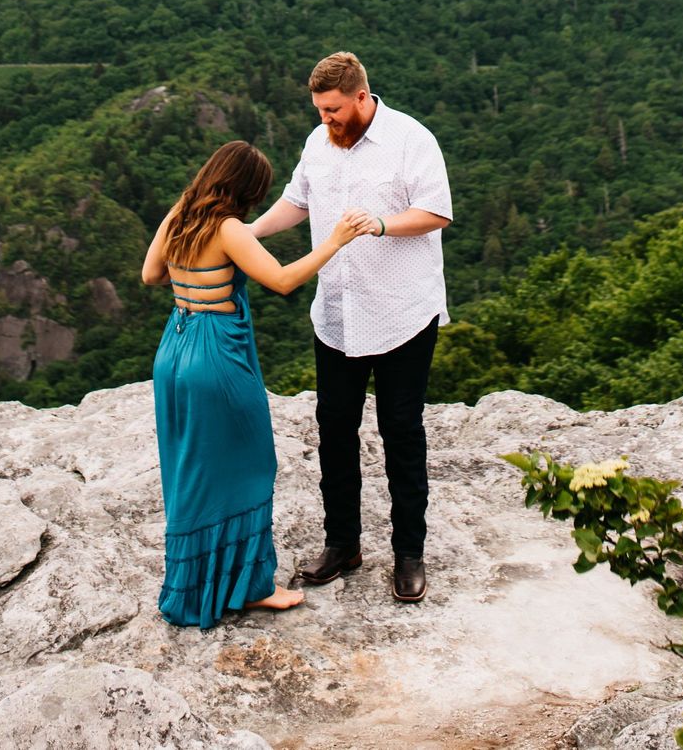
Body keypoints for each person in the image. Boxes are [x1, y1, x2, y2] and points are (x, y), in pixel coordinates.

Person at [141, 138, 369, 628]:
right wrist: (335, 241)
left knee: (191, 470)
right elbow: (282, 281)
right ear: (243, 189)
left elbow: (150, 274)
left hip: (174, 350)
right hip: (216, 355)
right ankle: (250, 587)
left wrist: (189, 264)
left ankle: (195, 586)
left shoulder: (181, 216)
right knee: (251, 463)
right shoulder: (228, 229)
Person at [250, 51, 452, 602]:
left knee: (401, 432)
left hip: (402, 312)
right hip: (337, 312)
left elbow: (437, 212)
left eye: (334, 109)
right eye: (319, 110)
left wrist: (382, 224)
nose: (326, 120)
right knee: (334, 429)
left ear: (362, 97)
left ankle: (409, 554)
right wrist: (246, 236)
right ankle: (343, 544)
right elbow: (296, 202)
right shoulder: (319, 143)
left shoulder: (412, 139)